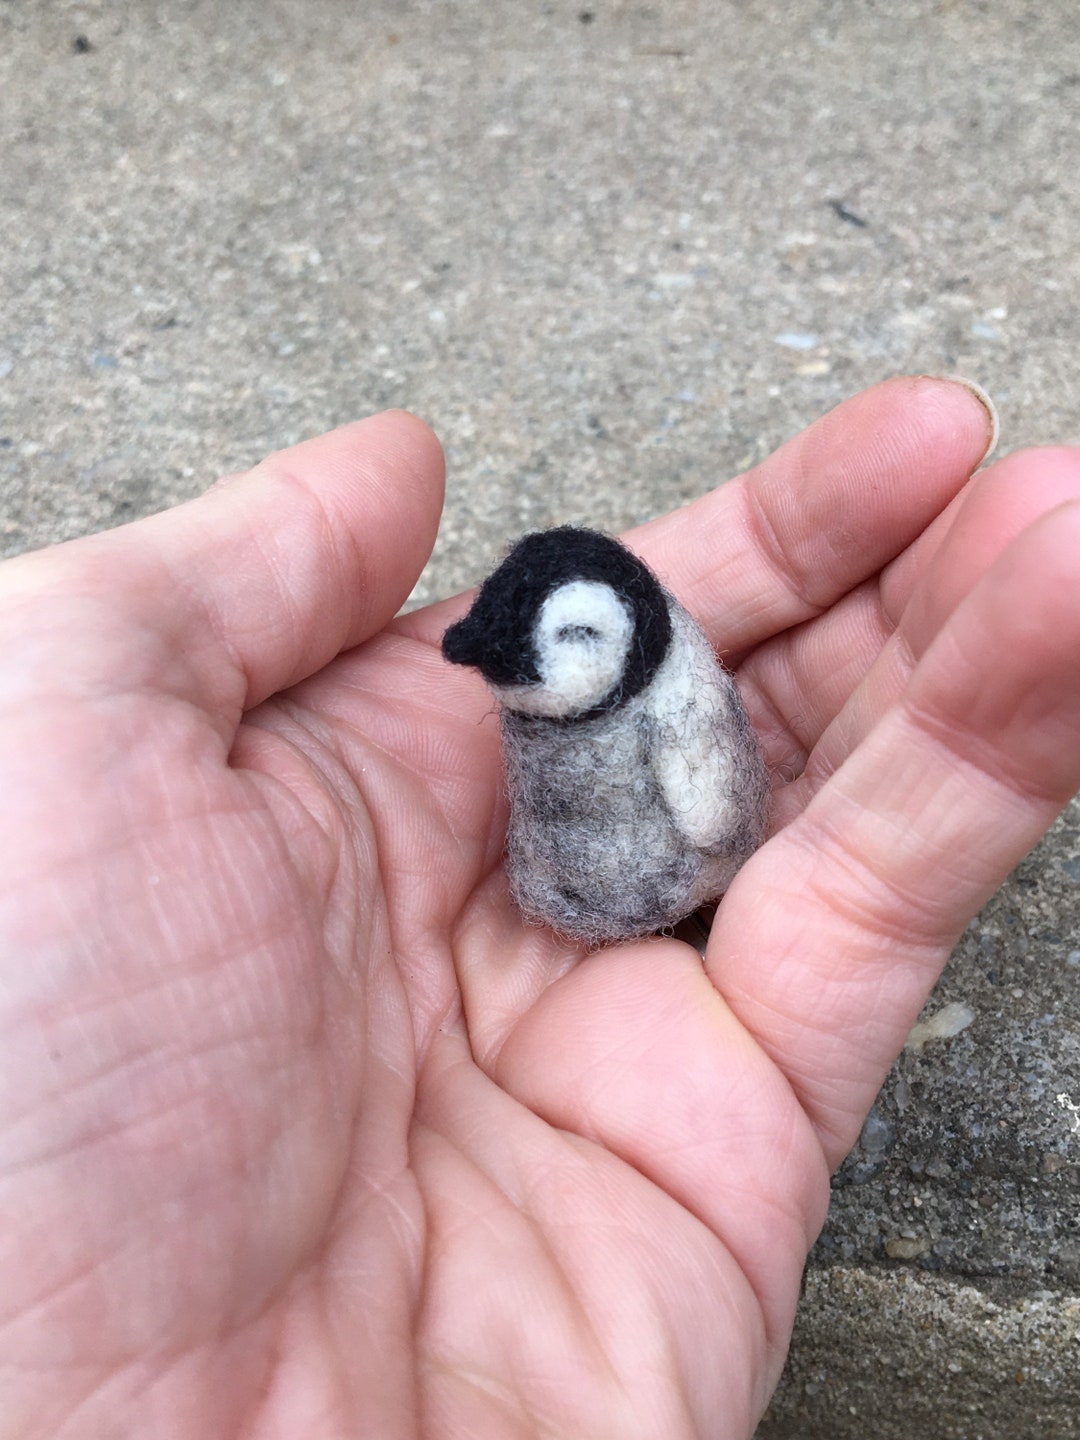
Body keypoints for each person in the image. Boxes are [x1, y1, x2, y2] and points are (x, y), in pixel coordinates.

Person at [1, 376, 1078, 1439]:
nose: (533, 687)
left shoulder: (671, 679)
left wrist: (711, 834)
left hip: (666, 865)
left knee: (671, 841)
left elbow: (703, 773)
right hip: (570, 880)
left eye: (555, 656)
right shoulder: (538, 707)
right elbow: (539, 794)